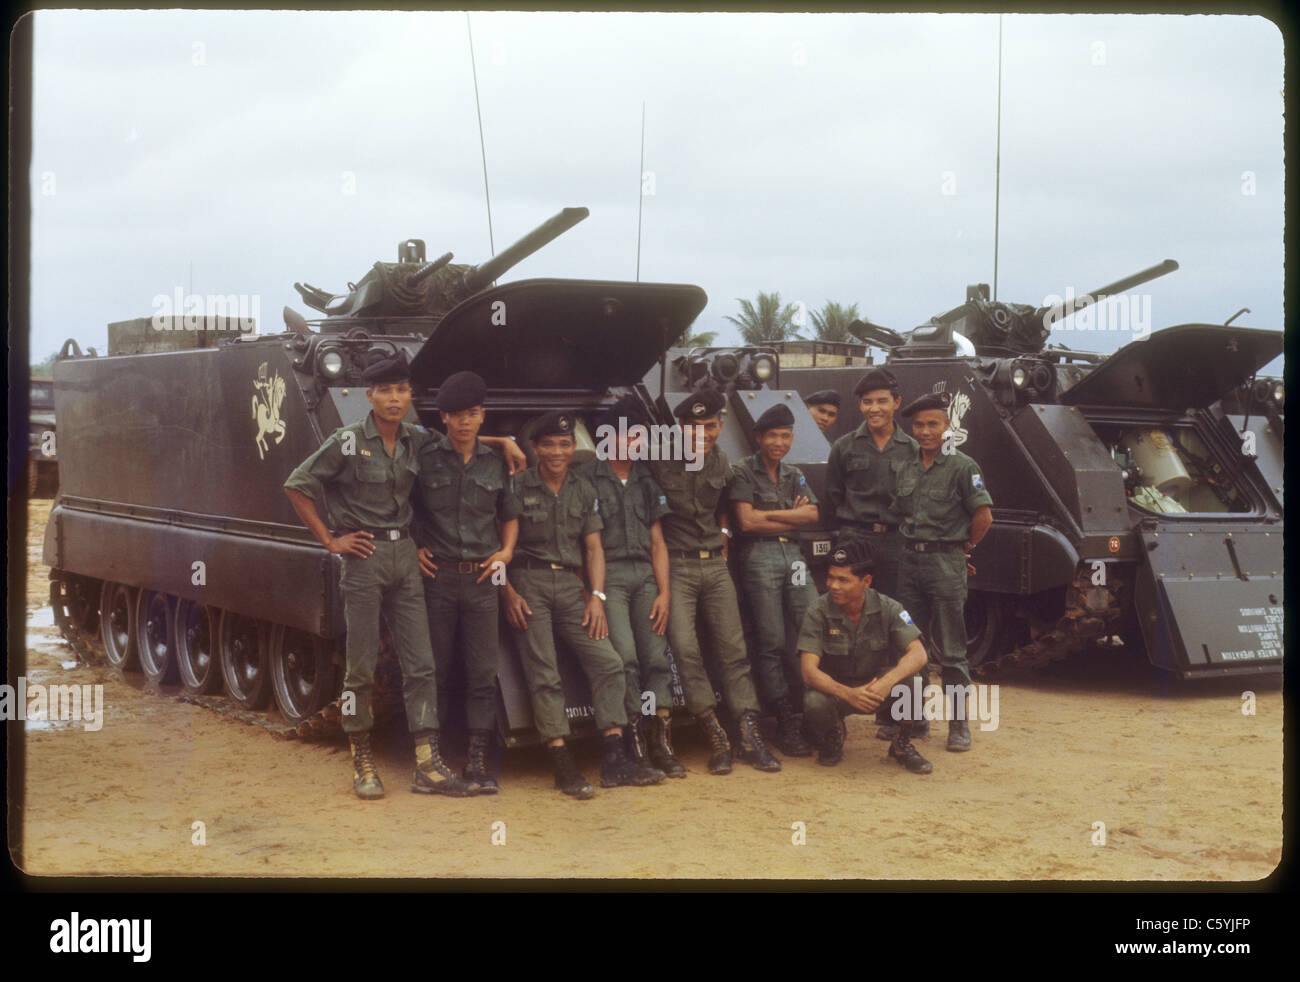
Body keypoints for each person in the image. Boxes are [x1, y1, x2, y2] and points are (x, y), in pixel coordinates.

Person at [283, 350, 478, 800]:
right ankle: (361, 756)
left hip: (405, 556)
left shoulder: (415, 440)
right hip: (365, 558)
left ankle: (427, 765)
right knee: (361, 667)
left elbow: (460, 440)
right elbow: (297, 484)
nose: (394, 398)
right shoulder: (349, 441)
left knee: (421, 665)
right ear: (369, 395)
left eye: (401, 390)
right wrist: (331, 541)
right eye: (385, 391)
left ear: (410, 395)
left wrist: (504, 443)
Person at [500, 411, 658, 798]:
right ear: (534, 449)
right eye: (549, 444)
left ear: (575, 448)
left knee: (608, 661)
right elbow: (499, 549)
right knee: (544, 672)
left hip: (572, 587)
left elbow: (593, 549)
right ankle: (561, 759)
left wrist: (598, 597)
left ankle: (614, 751)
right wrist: (507, 593)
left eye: (565, 444)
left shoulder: (584, 489)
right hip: (527, 581)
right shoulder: (516, 488)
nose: (557, 451)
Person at [648, 388, 781, 775]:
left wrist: (724, 535)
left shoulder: (722, 460)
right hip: (676, 567)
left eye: (709, 426)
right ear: (680, 428)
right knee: (686, 653)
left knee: (733, 651)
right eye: (693, 427)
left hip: (714, 566)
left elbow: (724, 504)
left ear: (720, 426)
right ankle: (716, 737)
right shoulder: (660, 461)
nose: (702, 434)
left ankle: (750, 736)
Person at [412, 370, 519, 794]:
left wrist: (507, 552)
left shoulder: (497, 464)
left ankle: (477, 758)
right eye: (456, 415)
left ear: (482, 416)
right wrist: (414, 544)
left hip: (481, 580)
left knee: (481, 672)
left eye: (473, 414)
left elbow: (509, 516)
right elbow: (403, 503)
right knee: (433, 670)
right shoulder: (423, 457)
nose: (464, 423)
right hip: (437, 577)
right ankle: (431, 758)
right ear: (443, 418)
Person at [575, 395, 677, 781]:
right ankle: (634, 743)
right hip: (611, 578)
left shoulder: (646, 480)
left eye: (637, 436)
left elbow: (658, 542)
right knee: (627, 659)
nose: (629, 443)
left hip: (646, 578)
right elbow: (585, 544)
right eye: (621, 436)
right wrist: (592, 593)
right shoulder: (587, 479)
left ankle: (660, 741)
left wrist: (664, 592)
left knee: (655, 658)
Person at [892, 392, 993, 752]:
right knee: (910, 644)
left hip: (945, 564)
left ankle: (958, 726)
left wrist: (962, 548)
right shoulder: (905, 467)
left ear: (947, 426)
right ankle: (914, 719)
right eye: (918, 425)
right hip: (911, 564)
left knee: (951, 649)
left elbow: (983, 516)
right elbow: (901, 513)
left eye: (933, 424)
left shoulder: (964, 466)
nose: (924, 431)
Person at [824, 368, 920, 742]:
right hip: (855, 542)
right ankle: (836, 708)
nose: (874, 408)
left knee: (898, 624)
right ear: (860, 405)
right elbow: (832, 500)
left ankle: (900, 713)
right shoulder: (844, 447)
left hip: (896, 544)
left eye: (882, 401)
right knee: (847, 622)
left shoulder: (912, 449)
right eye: (867, 401)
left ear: (896, 404)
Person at [729, 402, 820, 757]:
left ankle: (817, 712)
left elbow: (812, 513)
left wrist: (770, 513)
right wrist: (791, 515)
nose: (778, 442)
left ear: (792, 438)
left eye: (785, 436)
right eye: (772, 436)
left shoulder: (794, 473)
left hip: (793, 557)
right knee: (772, 639)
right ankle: (784, 719)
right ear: (758, 437)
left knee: (813, 625)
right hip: (760, 556)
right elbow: (747, 523)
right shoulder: (742, 472)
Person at [798, 540, 933, 774]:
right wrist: (848, 693)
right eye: (830, 577)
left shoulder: (891, 607)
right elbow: (808, 672)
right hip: (839, 692)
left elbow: (919, 653)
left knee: (917, 678)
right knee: (814, 701)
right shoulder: (817, 611)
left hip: (876, 688)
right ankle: (834, 734)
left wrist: (886, 683)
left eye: (843, 580)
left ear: (866, 581)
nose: (833, 586)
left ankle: (901, 743)